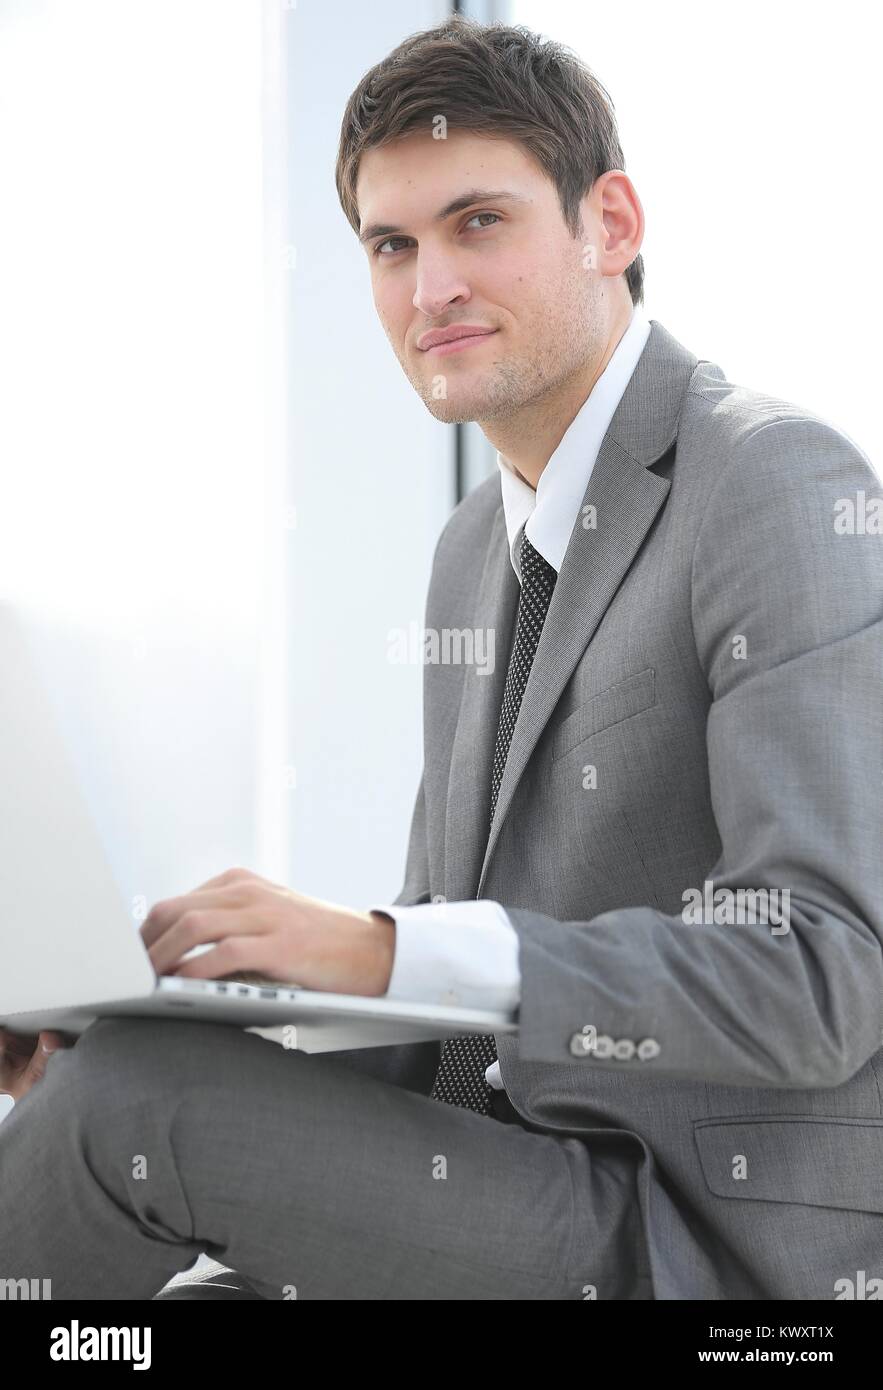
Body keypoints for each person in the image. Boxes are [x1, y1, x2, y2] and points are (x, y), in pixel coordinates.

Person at [2, 15, 882, 1301]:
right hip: (510, 1189)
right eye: (391, 245)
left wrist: (371, 946)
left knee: (136, 1108)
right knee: (123, 1120)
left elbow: (826, 975)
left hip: (709, 1243)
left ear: (612, 224)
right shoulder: (475, 546)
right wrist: (149, 1017)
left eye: (479, 223)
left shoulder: (771, 481)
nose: (431, 289)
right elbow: (444, 1018)